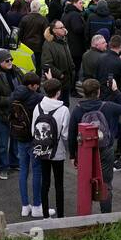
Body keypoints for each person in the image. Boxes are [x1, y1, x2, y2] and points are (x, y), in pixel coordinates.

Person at [69, 77, 121, 214]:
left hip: (85, 151)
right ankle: (106, 216)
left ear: (83, 92)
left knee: (85, 182)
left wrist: (73, 155)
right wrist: (115, 90)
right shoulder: (107, 106)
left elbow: (72, 134)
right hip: (105, 149)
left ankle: (85, 213)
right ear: (98, 91)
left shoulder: (78, 110)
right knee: (105, 183)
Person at [31, 78, 70, 217]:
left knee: (45, 183)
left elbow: (33, 131)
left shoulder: (38, 107)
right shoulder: (63, 110)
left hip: (42, 149)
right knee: (59, 184)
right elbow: (65, 135)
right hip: (57, 152)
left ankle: (45, 215)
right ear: (58, 92)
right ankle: (60, 216)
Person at [9, 72, 44, 217]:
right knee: (36, 171)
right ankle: (37, 206)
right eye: (37, 85)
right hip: (33, 138)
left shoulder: (15, 95)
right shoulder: (36, 98)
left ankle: (25, 206)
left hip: (19, 136)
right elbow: (48, 100)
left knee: (23, 170)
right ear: (32, 85)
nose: (38, 87)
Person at [0, 50, 23, 179]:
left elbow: (24, 86)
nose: (10, 62)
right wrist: (9, 100)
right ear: (0, 62)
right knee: (2, 144)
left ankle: (15, 163)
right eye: (7, 61)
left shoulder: (17, 72)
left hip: (16, 114)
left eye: (11, 59)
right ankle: (3, 168)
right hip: (2, 115)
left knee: (15, 141)